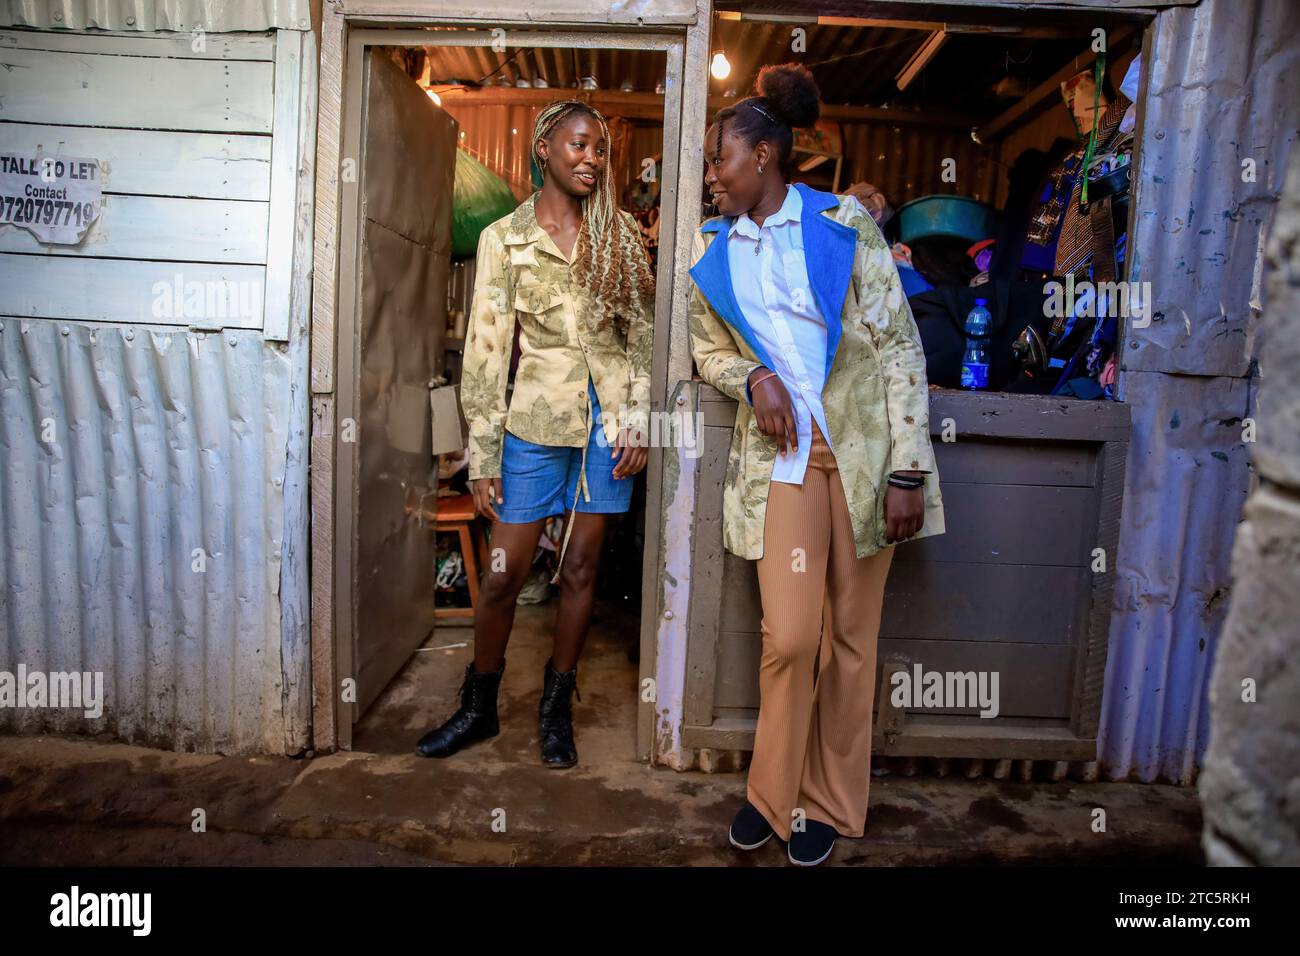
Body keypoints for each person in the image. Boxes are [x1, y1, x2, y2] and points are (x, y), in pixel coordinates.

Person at [687, 63, 945, 864]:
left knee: (851, 638)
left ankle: (827, 803)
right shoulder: (714, 247)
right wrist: (753, 375)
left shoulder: (842, 224)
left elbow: (900, 343)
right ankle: (771, 794)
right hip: (785, 460)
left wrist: (908, 469)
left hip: (863, 456)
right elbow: (705, 350)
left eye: (719, 159)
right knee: (793, 636)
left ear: (762, 156)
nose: (711, 175)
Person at [417, 101, 655, 769]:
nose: (591, 159)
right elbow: (489, 351)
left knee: (580, 569)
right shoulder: (505, 239)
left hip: (605, 429)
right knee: (503, 573)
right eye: (579, 145)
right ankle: (479, 705)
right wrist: (484, 455)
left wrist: (634, 420)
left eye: (601, 151)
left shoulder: (621, 237)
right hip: (533, 425)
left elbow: (639, 340)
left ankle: (557, 707)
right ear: (545, 147)